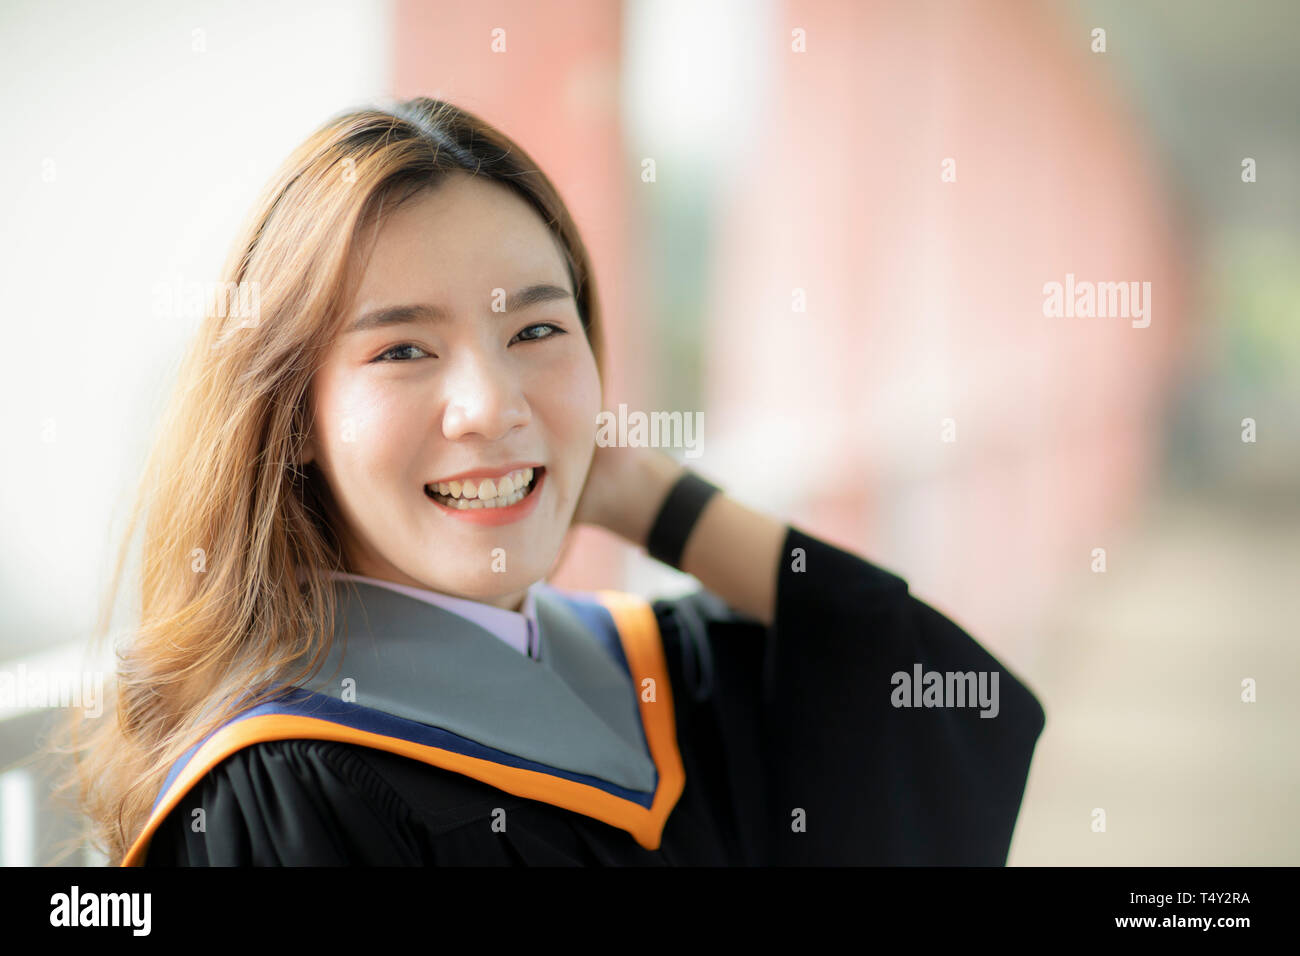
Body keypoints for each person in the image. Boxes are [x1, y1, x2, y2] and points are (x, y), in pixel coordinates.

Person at [55, 97, 1045, 867]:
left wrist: (661, 502)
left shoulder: (657, 678)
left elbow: (936, 694)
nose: (490, 404)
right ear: (295, 418)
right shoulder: (286, 789)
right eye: (402, 349)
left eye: (535, 330)